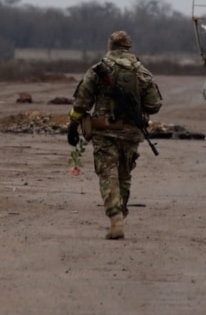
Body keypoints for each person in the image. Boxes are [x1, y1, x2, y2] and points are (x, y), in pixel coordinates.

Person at [68, 30, 162, 240]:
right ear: (129, 47)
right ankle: (122, 214)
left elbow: (82, 103)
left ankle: (115, 217)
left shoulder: (98, 69)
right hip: (131, 133)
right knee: (124, 175)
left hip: (104, 130)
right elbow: (154, 105)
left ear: (110, 46)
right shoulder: (142, 72)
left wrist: (73, 124)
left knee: (108, 173)